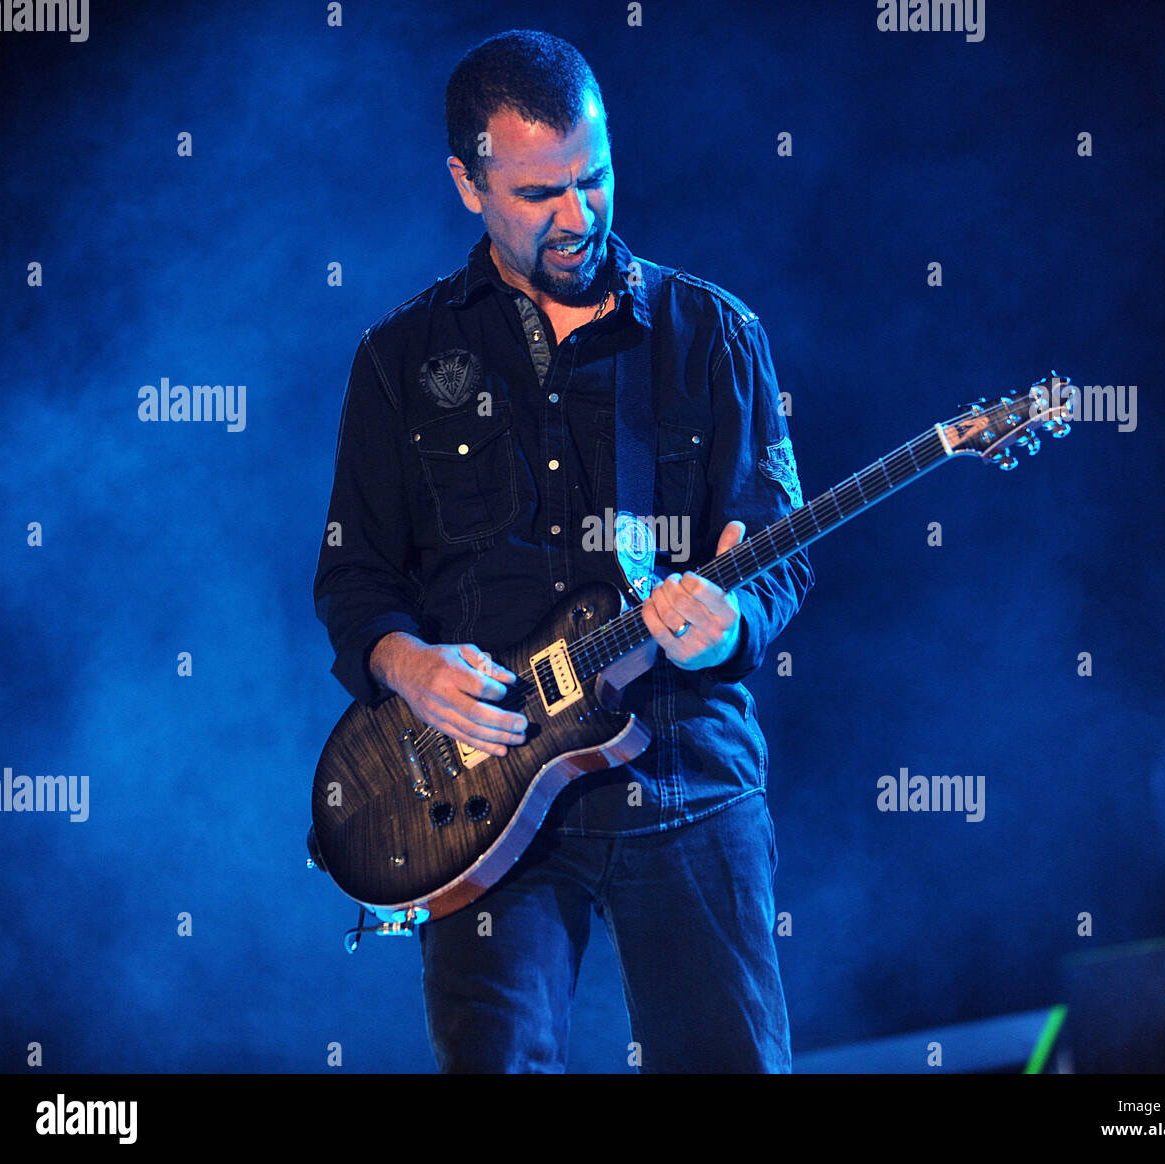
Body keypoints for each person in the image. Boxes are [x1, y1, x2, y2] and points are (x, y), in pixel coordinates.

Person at [313, 29, 814, 1073]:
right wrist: (410, 667)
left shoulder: (712, 333)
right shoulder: (399, 359)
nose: (579, 217)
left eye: (593, 178)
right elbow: (354, 576)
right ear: (467, 181)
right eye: (540, 194)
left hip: (686, 774)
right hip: (481, 801)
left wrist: (733, 619)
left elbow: (775, 553)